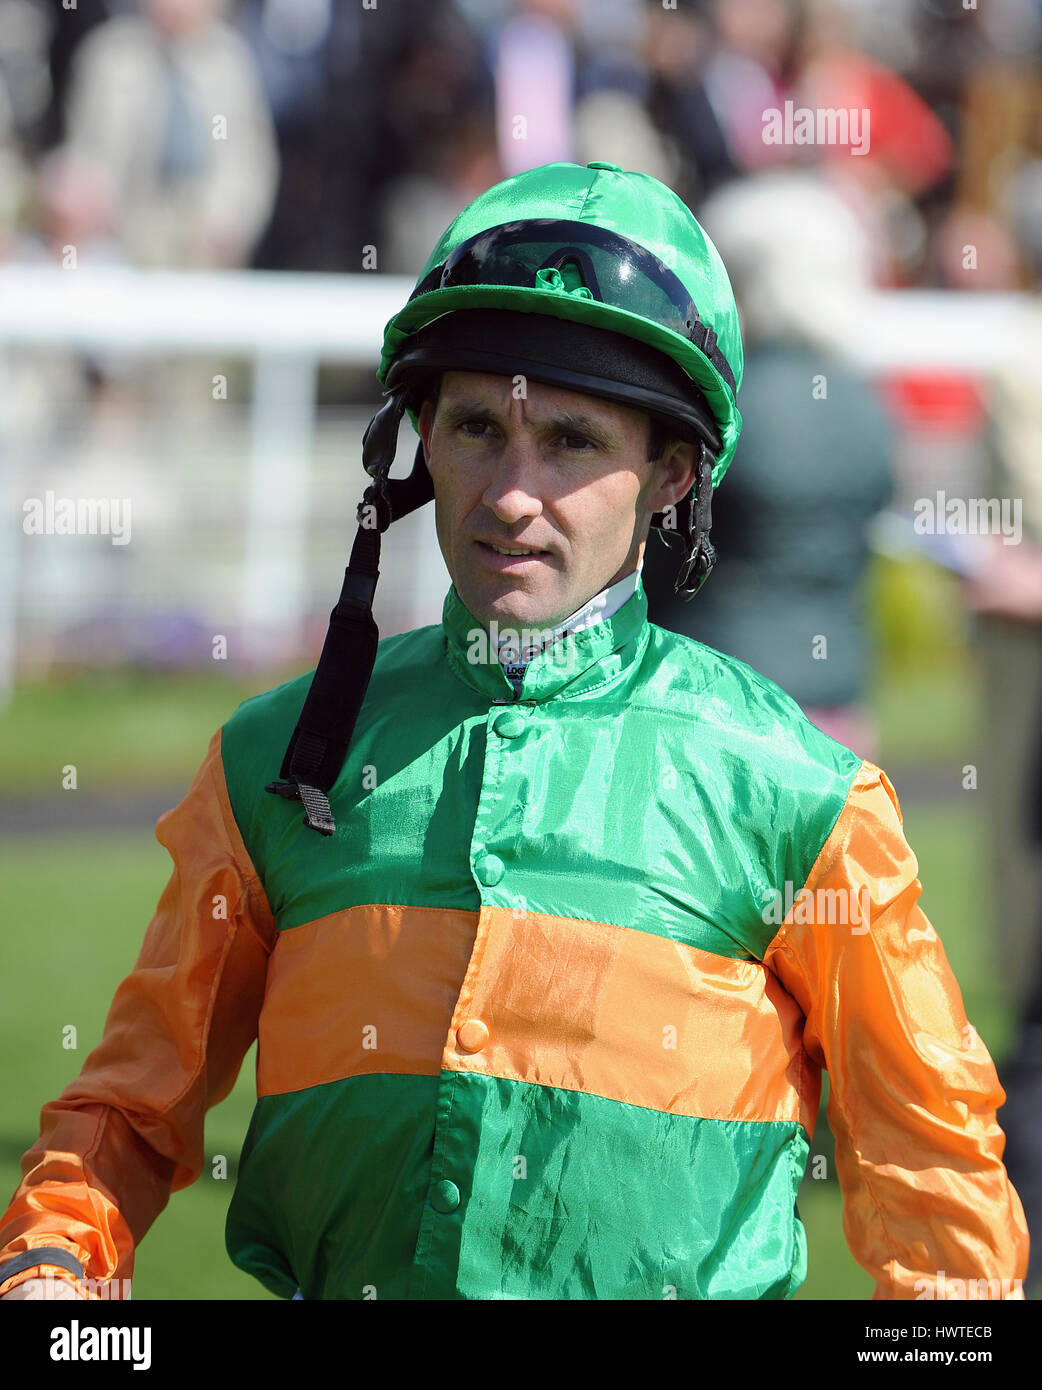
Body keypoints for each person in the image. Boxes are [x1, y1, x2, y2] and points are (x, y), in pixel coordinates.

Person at [0, 161, 1028, 1301]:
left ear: (672, 472)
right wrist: (55, 1264)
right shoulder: (272, 761)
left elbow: (935, 1184)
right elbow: (127, 1112)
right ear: (419, 442)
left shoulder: (800, 791)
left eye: (574, 443)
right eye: (478, 427)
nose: (509, 495)